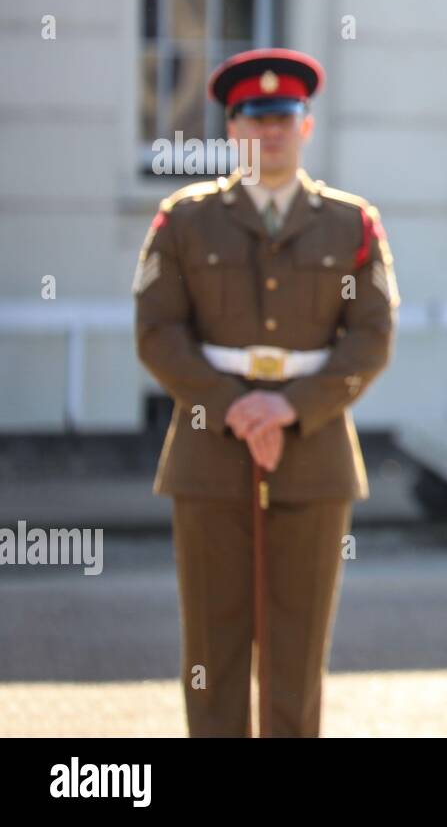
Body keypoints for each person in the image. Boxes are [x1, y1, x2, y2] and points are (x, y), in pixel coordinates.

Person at [133, 48, 398, 736]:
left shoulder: (351, 223)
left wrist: (290, 405)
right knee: (212, 649)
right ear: (232, 127)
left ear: (305, 125)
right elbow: (158, 332)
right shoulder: (184, 220)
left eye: (283, 117)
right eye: (254, 118)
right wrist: (231, 406)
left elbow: (371, 336)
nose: (269, 132)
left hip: (312, 455)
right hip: (207, 451)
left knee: (297, 650)